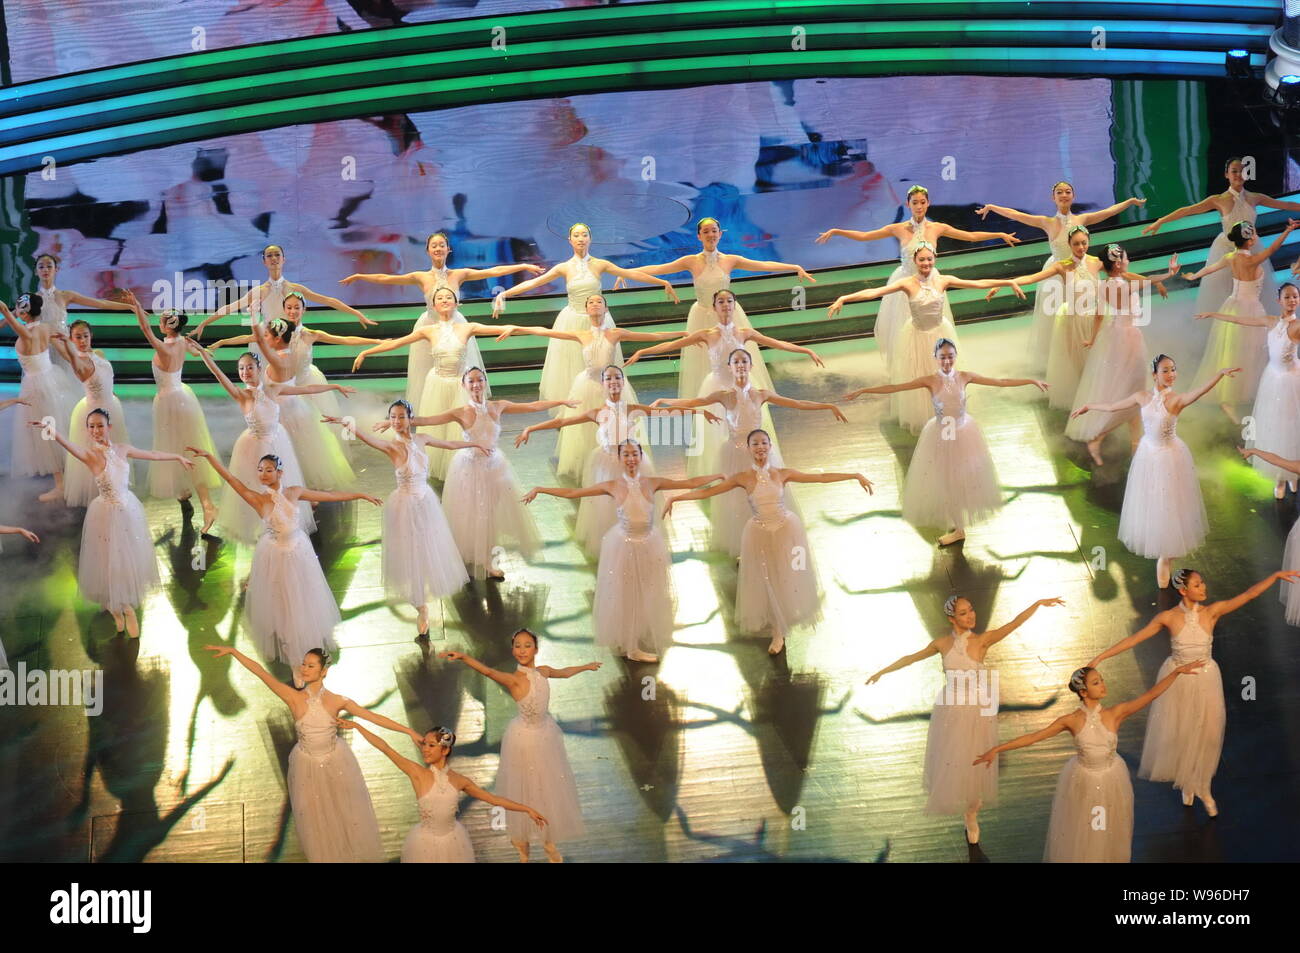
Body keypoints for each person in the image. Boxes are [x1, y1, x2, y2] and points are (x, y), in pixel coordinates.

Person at [1087, 567, 1298, 816]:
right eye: (1198, 585)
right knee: (1183, 732)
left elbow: (1249, 595)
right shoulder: (1168, 617)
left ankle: (1204, 787)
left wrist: (1273, 577)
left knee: (1208, 734)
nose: (1204, 588)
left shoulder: (1212, 612)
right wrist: (1101, 656)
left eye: (1203, 583)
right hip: (1178, 679)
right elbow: (1135, 639)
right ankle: (1187, 782)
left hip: (1207, 678)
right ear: (1183, 590)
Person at [864, 595, 1063, 843]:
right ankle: (968, 808)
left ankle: (971, 813)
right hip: (950, 709)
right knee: (956, 760)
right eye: (964, 613)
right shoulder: (941, 644)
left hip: (977, 710)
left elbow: (1014, 624)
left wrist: (1037, 604)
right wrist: (882, 671)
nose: (971, 616)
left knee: (977, 763)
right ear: (951, 618)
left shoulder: (983, 641)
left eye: (971, 610)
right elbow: (911, 658)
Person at [664, 429, 874, 654]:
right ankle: (777, 630)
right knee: (768, 578)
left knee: (787, 574)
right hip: (759, 533)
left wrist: (853, 475)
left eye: (764, 443)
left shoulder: (782, 474)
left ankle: (785, 615)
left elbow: (820, 478)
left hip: (786, 530)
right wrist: (677, 497)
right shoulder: (743, 477)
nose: (760, 447)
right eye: (755, 444)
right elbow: (710, 492)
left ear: (770, 446)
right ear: (749, 448)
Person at [524, 439, 718, 661]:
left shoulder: (652, 482)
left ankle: (637, 632)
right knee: (628, 593)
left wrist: (717, 476)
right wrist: (540, 488)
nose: (631, 459)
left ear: (641, 456)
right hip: (624, 546)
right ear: (619, 459)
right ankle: (632, 647)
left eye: (634, 454)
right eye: (626, 455)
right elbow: (573, 493)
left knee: (647, 589)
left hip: (648, 544)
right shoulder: (613, 485)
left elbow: (689, 482)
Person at [203, 646, 399, 862]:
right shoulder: (293, 698)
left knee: (344, 812)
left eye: (310, 665)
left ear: (323, 671)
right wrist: (234, 652)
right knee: (316, 818)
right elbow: (261, 673)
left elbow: (373, 717)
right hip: (307, 766)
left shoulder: (337, 700)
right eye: (303, 664)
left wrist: (408, 731)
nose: (304, 668)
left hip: (335, 761)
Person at [844, 338, 1046, 546]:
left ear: (955, 356)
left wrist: (1031, 381)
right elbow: (896, 387)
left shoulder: (965, 376)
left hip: (963, 432)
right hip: (942, 434)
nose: (947, 361)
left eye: (950, 356)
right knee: (947, 480)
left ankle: (959, 528)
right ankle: (958, 526)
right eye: (943, 357)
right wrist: (865, 391)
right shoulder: (930, 381)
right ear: (936, 358)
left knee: (962, 479)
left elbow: (1000, 382)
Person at [188, 448, 380, 665]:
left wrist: (360, 495)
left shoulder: (294, 492)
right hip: (275, 554)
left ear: (280, 472)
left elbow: (328, 496)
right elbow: (231, 479)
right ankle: (290, 642)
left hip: (298, 550)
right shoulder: (258, 499)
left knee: (302, 594)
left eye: (268, 470)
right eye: (260, 470)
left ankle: (303, 633)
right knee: (281, 596)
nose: (263, 474)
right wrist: (210, 457)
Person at [652, 346, 840, 554]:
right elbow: (696, 402)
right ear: (730, 368)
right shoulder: (724, 396)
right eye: (736, 362)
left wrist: (827, 406)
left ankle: (774, 535)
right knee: (736, 498)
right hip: (734, 452)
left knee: (769, 493)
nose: (740, 366)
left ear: (751, 366)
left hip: (759, 451)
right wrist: (664, 402)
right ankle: (746, 541)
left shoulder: (761, 394)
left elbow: (795, 403)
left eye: (744, 362)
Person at [1071, 354, 1235, 588]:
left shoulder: (1176, 400)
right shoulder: (1142, 396)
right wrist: (1089, 406)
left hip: (1170, 457)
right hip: (1149, 454)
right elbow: (1112, 407)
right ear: (1154, 374)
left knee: (1170, 502)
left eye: (1173, 369)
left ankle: (1166, 552)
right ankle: (1163, 550)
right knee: (1154, 502)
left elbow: (1198, 392)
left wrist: (1218, 376)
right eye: (1166, 370)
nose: (1172, 374)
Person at [386, 367, 565, 580]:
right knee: (471, 513)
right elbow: (425, 420)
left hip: (495, 467)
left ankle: (488, 559)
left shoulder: (498, 406)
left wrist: (561, 402)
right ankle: (467, 554)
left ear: (485, 382)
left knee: (490, 513)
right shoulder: (461, 412)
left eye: (479, 380)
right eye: (471, 381)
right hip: (469, 467)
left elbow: (533, 406)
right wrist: (392, 422)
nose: (476, 385)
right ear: (464, 386)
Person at [827, 244, 1025, 431]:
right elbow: (875, 292)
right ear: (915, 260)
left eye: (929, 259)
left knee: (945, 376)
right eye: (922, 260)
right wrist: (844, 298)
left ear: (935, 259)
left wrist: (1007, 281)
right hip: (917, 338)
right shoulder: (907, 283)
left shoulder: (943, 280)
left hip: (941, 335)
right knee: (921, 379)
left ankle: (948, 411)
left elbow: (977, 283)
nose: (926, 263)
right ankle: (927, 417)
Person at [322, 400, 479, 635]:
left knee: (429, 547)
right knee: (409, 555)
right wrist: (346, 423)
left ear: (410, 418)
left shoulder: (422, 439)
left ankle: (424, 593)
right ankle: (421, 607)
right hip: (405, 506)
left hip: (426, 502)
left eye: (401, 416)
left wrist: (474, 443)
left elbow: (447, 443)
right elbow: (368, 438)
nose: (396, 421)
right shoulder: (391, 447)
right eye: (392, 417)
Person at [818, 184, 1020, 365]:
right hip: (906, 283)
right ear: (908, 204)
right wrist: (837, 231)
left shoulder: (937, 227)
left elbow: (971, 236)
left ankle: (934, 363)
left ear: (928, 203)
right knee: (906, 330)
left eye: (923, 202)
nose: (919, 206)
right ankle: (909, 366)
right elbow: (865, 236)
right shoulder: (897, 228)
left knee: (933, 325)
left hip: (932, 284)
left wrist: (999, 234)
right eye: (915, 203)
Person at [443, 629, 598, 862]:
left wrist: (585, 666)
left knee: (547, 789)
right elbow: (487, 671)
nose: (522, 650)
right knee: (524, 790)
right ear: (513, 650)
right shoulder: (514, 679)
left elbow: (564, 673)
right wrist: (465, 658)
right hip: (524, 741)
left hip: (545, 735)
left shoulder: (543, 672)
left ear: (535, 648)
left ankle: (548, 841)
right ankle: (522, 848)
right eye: (517, 645)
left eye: (527, 645)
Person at [615, 217, 814, 396]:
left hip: (729, 314)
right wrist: (625, 272)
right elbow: (658, 269)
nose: (711, 235)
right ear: (699, 236)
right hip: (702, 317)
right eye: (706, 232)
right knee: (708, 364)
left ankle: (741, 396)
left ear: (720, 234)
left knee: (734, 357)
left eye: (714, 231)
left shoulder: (730, 260)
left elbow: (763, 264)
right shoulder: (691, 261)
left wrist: (794, 267)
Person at [495, 291, 686, 477]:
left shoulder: (615, 333)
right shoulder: (581, 335)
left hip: (611, 387)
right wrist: (517, 328)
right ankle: (594, 465)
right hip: (587, 385)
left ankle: (620, 462)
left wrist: (682, 333)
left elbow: (653, 336)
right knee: (585, 428)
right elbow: (545, 331)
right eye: (591, 303)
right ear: (586, 310)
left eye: (599, 302)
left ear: (606, 309)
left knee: (616, 427)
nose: (595, 304)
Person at [341, 230, 545, 403]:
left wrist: (523, 266)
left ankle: (462, 405)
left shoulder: (459, 274)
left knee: (457, 366)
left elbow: (494, 271)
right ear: (428, 250)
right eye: (434, 246)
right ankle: (434, 407)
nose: (438, 249)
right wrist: (360, 275)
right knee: (429, 371)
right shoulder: (421, 277)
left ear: (449, 249)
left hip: (456, 326)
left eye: (441, 245)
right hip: (430, 327)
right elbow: (385, 277)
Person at [490, 222, 680, 403]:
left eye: (584, 235)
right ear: (570, 240)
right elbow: (534, 283)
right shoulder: (563, 267)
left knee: (602, 365)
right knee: (575, 368)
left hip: (598, 322)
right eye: (576, 235)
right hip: (572, 321)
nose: (581, 238)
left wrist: (662, 282)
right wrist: (505, 293)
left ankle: (606, 402)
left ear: (590, 239)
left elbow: (631, 274)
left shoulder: (600, 264)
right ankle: (578, 408)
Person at [42, 412, 193, 638]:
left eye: (99, 426)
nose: (95, 431)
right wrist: (53, 433)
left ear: (109, 426)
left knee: (125, 558)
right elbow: (71, 447)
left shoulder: (122, 449)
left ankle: (125, 607)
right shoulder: (91, 456)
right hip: (105, 514)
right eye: (91, 427)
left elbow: (152, 454)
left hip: (127, 510)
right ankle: (115, 607)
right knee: (106, 559)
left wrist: (177, 457)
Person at [353, 287, 519, 479]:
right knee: (438, 425)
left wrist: (513, 328)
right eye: (439, 298)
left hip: (459, 384)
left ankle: (465, 464)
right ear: (433, 305)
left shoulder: (467, 327)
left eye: (449, 297)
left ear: (457, 303)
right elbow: (397, 342)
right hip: (438, 384)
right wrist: (366, 352)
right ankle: (444, 467)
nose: (444, 300)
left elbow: (503, 328)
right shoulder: (428, 330)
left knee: (460, 428)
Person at [975, 185, 1145, 364]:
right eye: (1059, 192)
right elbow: (1017, 215)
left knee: (1087, 314)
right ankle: (1062, 359)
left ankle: (1090, 353)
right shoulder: (1046, 222)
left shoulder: (1082, 219)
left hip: (1082, 271)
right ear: (1053, 198)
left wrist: (1131, 202)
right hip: (1057, 274)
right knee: (1059, 319)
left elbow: (1109, 212)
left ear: (1073, 196)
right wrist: (992, 207)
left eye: (1067, 192)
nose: (1064, 195)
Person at [343, 721, 547, 863]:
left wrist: (526, 809)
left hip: (453, 843)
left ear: (445, 750)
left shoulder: (459, 781)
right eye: (424, 745)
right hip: (424, 845)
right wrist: (358, 727)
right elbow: (385, 748)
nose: (425, 749)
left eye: (431, 745)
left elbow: (493, 799)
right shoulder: (417, 773)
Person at [1065, 245, 1177, 465]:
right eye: (1125, 257)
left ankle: (1135, 446)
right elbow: (1149, 280)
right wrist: (1169, 274)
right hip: (1128, 337)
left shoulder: (1102, 285)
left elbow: (1099, 315)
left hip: (1113, 334)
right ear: (1118, 263)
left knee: (1130, 391)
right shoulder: (1124, 288)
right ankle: (1100, 438)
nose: (1128, 260)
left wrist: (1093, 339)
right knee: (1134, 394)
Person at [1183, 219, 1299, 422]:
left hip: (1233, 305)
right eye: (1253, 234)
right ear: (1249, 239)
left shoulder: (1230, 257)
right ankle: (1229, 398)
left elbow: (1209, 269)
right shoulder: (1252, 260)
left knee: (1238, 351)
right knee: (1247, 351)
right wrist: (1287, 231)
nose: (1255, 237)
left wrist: (1194, 276)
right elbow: (1273, 247)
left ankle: (1242, 394)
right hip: (1250, 309)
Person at [126, 292, 221, 531]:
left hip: (170, 401)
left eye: (165, 317)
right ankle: (184, 490)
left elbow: (146, 332)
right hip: (181, 396)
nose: (161, 319)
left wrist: (137, 306)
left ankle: (209, 505)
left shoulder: (166, 348)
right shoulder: (181, 342)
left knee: (183, 447)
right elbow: (194, 351)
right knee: (181, 446)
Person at [1203, 284, 1300, 496]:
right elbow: (1241, 320)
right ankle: (1280, 476)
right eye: (1287, 297)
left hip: (1291, 381)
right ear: (1279, 300)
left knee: (1292, 426)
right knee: (1274, 426)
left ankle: (1292, 474)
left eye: (1295, 296)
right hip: (1273, 379)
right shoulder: (1271, 321)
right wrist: (1215, 314)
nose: (1292, 300)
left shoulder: (1297, 326)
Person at [190, 243, 376, 341]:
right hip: (268, 338)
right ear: (264, 262)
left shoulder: (295, 289)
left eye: (277, 255)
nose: (273, 258)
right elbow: (229, 307)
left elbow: (328, 300)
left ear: (284, 259)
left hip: (291, 337)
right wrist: (204, 324)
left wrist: (355, 312)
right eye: (269, 256)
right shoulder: (259, 291)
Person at [50, 321, 133, 507]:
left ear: (91, 336)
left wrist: (114, 395)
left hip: (111, 406)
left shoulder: (98, 354)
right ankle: (100, 492)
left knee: (113, 451)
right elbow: (72, 358)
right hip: (94, 412)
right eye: (77, 337)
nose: (82, 340)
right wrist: (63, 344)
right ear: (72, 339)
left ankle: (116, 485)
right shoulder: (79, 363)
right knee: (96, 454)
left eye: (85, 336)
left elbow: (107, 380)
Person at [2, 295, 74, 501]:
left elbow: (8, 315)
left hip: (36, 387)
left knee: (48, 433)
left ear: (24, 312)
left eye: (19, 310)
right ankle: (66, 476)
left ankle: (60, 484)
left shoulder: (27, 333)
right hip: (51, 377)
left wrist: (7, 310)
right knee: (58, 426)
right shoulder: (47, 327)